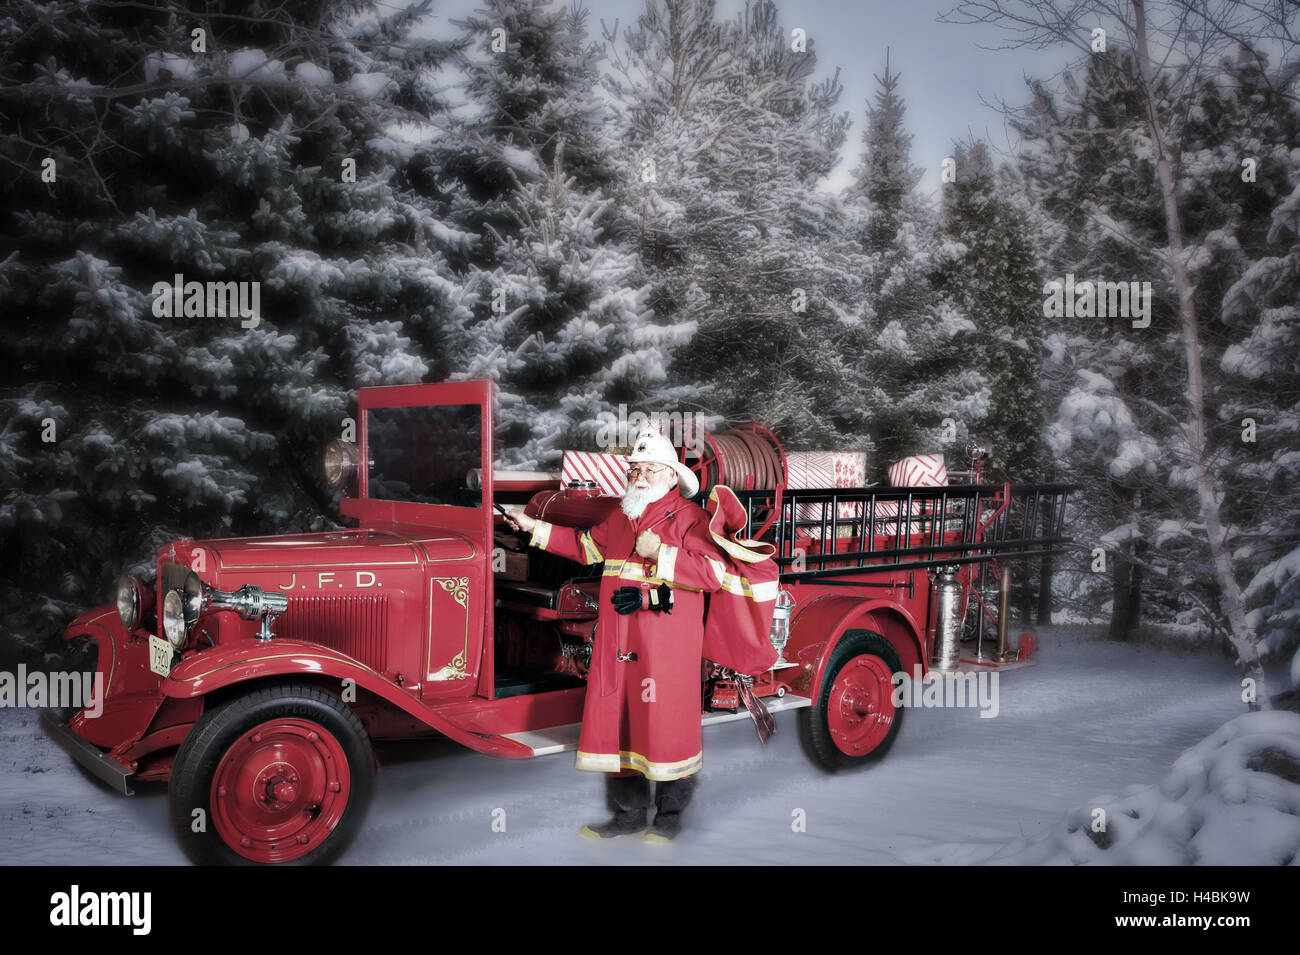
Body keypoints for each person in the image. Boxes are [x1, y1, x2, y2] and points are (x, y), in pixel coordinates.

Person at [503, 426, 733, 842]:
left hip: (666, 646)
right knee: (620, 723)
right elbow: (585, 547)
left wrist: (660, 553)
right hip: (619, 641)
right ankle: (627, 815)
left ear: (670, 476)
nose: (639, 476)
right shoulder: (622, 515)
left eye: (649, 470)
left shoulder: (692, 518)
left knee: (664, 726)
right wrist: (531, 527)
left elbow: (714, 575)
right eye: (634, 470)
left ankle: (668, 818)